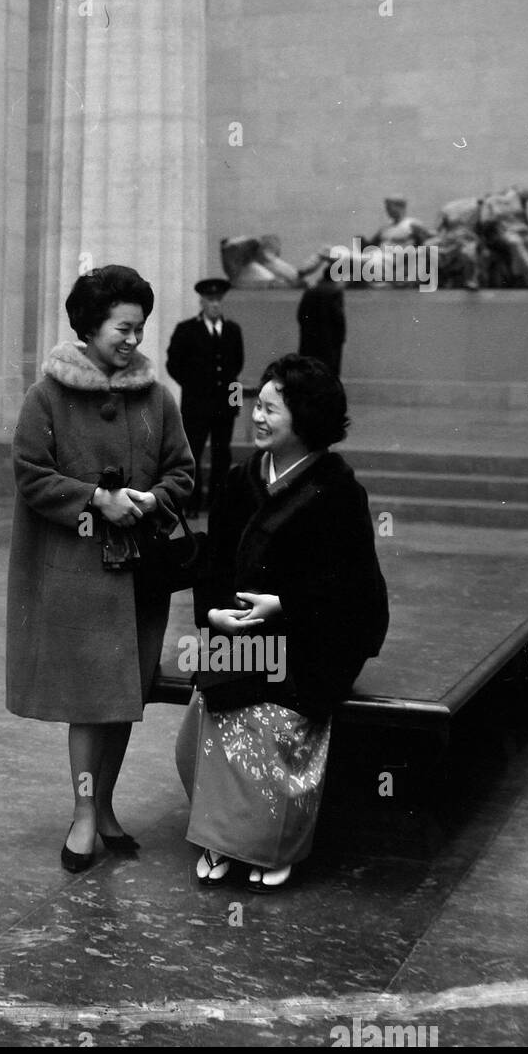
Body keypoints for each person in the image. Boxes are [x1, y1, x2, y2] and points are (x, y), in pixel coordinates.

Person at [176, 354, 389, 892]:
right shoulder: (239, 480)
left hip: (310, 641)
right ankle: (224, 838)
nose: (258, 418)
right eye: (258, 407)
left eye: (272, 409)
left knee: (265, 716)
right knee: (214, 698)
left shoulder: (338, 492)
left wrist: (284, 607)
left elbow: (357, 595)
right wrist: (214, 611)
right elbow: (214, 563)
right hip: (240, 635)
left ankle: (263, 843)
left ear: (306, 419)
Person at [7, 264, 194, 873]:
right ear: (90, 327)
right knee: (91, 702)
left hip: (139, 576)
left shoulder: (157, 398)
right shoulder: (49, 397)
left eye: (140, 329)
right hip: (78, 574)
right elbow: (32, 474)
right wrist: (95, 500)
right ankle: (84, 816)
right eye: (123, 328)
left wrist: (151, 499)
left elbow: (182, 473)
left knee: (123, 697)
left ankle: (106, 807)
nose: (133, 340)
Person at [166, 278, 245, 517]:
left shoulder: (233, 330)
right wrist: (192, 386)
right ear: (201, 302)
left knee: (223, 454)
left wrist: (234, 403)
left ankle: (217, 503)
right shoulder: (186, 330)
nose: (215, 305)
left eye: (218, 300)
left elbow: (237, 364)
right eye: (210, 300)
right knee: (194, 454)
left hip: (225, 405)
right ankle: (192, 503)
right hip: (196, 405)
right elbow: (173, 364)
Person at [296, 248, 346, 376]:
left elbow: (301, 314)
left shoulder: (310, 291)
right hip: (329, 339)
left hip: (309, 336)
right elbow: (338, 317)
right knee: (329, 372)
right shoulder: (335, 292)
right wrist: (341, 337)